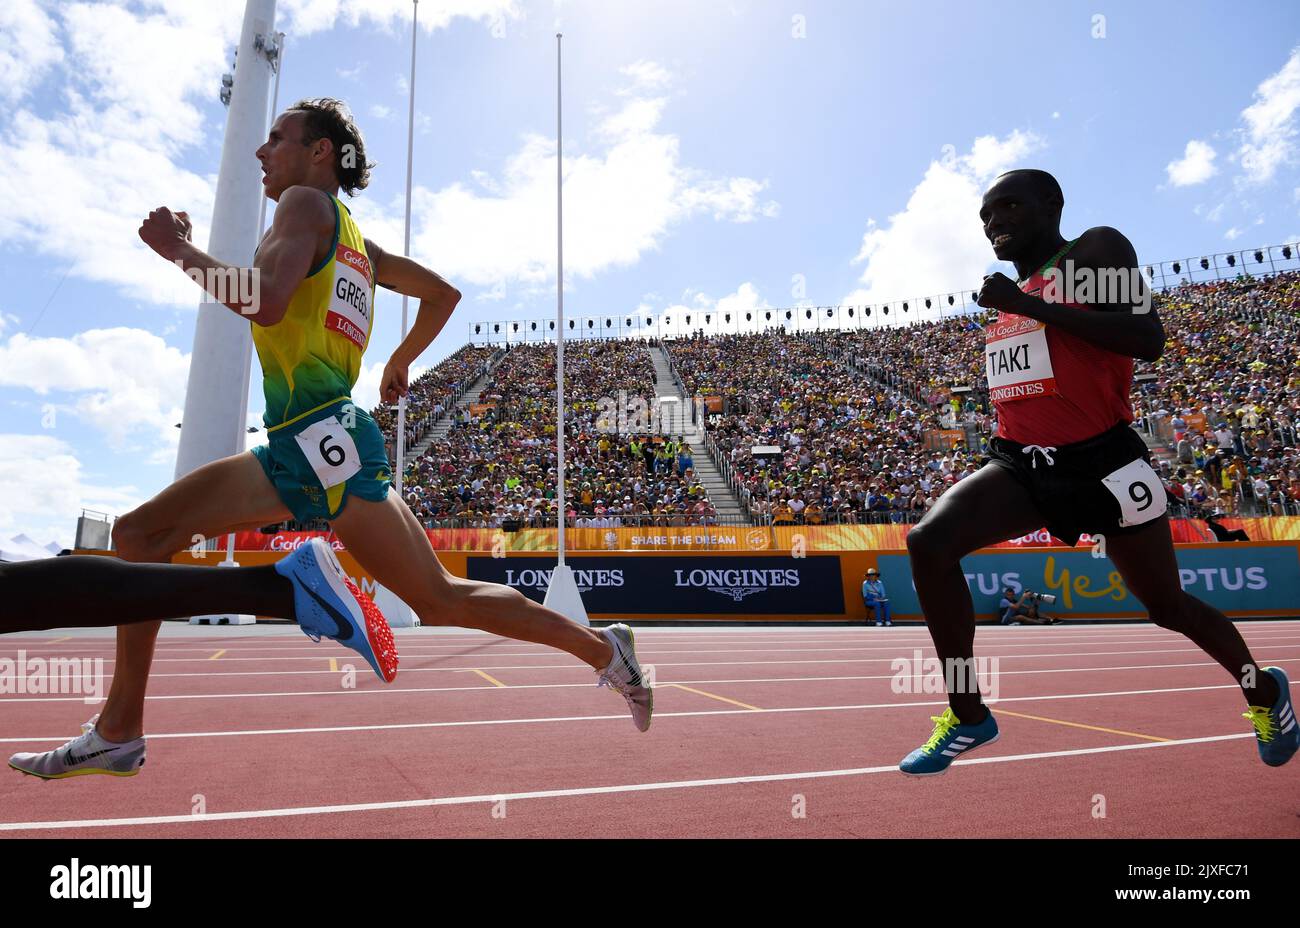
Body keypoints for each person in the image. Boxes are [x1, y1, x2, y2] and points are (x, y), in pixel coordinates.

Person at [8, 99, 652, 781]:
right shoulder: (355, 243)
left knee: (430, 597)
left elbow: (265, 300)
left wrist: (180, 252)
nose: (262, 152)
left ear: (320, 153)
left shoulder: (306, 208)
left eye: (276, 139)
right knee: (147, 538)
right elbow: (443, 295)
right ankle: (119, 729)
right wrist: (401, 359)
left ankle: (309, 589)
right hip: (309, 440)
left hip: (323, 444)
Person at [899, 168, 1296, 776]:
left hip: (1104, 464)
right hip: (1023, 463)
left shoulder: (1093, 251)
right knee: (929, 543)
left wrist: (1027, 305)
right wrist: (1020, 306)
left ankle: (1263, 691)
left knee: (1167, 607)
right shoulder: (1011, 293)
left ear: (1051, 205)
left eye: (1008, 206)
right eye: (984, 216)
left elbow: (1147, 338)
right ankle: (968, 713)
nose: (993, 222)